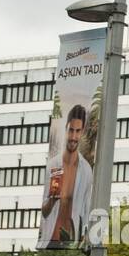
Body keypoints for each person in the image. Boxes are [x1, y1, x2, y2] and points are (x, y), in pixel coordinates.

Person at [41, 105, 94, 246]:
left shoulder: (86, 171)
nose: (73, 137)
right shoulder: (53, 165)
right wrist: (52, 201)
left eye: (77, 131)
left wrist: (84, 239)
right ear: (66, 129)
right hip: (50, 241)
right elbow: (44, 213)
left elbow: (86, 210)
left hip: (72, 245)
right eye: (71, 130)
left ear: (82, 132)